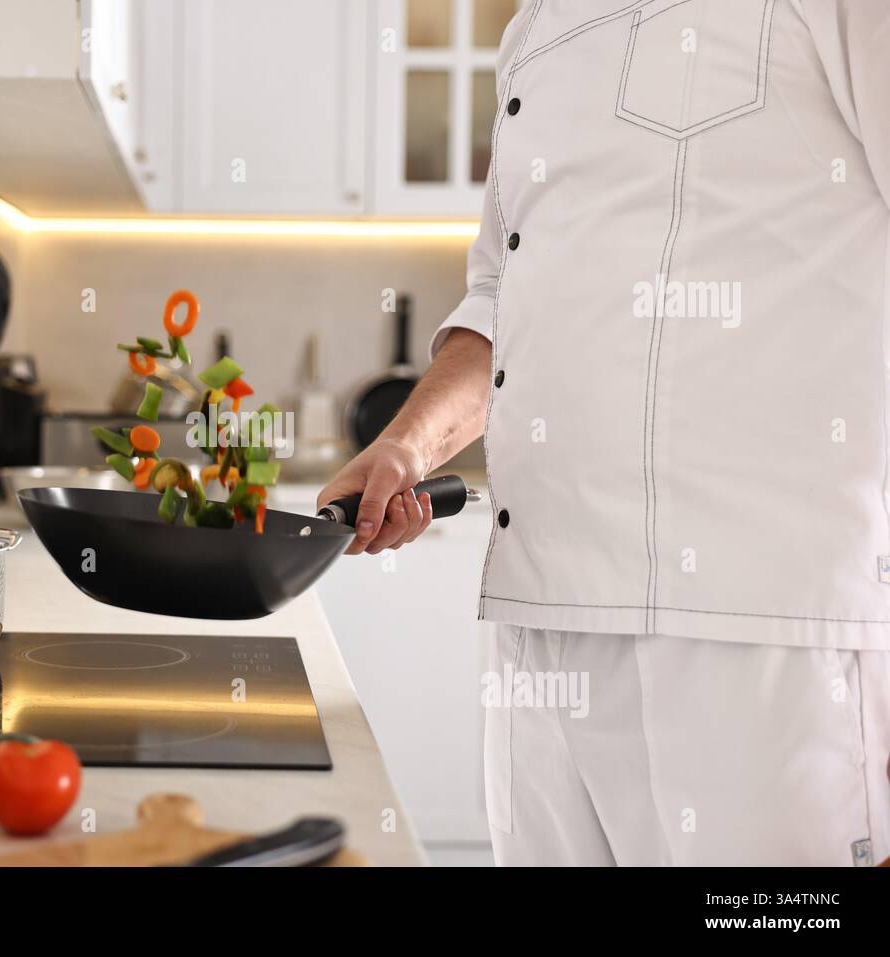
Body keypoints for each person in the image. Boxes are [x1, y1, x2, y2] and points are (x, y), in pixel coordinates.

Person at [319, 0, 890, 866]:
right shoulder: (532, 30)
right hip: (541, 620)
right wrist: (409, 444)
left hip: (760, 633)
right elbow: (503, 297)